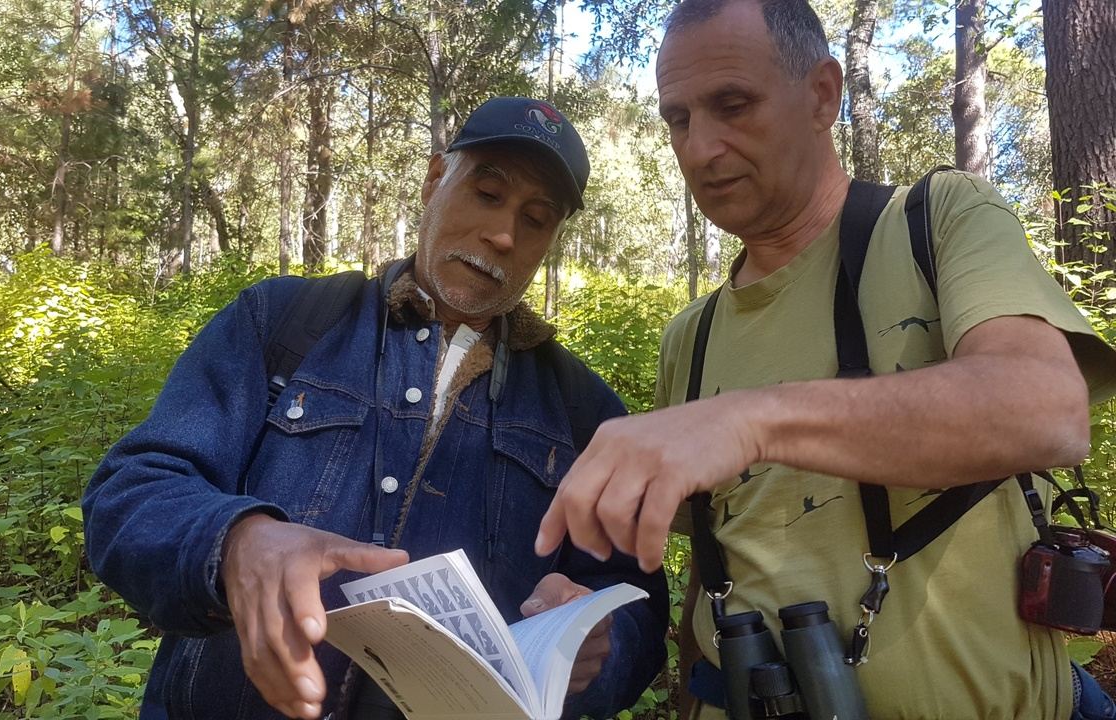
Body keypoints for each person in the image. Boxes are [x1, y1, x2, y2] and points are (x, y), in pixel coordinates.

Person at [532, 1, 1116, 718]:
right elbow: (720, 569)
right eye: (678, 119)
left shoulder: (937, 219)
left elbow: (1046, 409)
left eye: (732, 105)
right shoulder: (691, 336)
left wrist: (750, 421)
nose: (701, 148)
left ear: (822, 95)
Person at [82, 96, 668, 720]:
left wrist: (594, 646)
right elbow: (130, 494)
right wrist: (235, 542)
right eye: (487, 194)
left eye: (536, 218)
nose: (503, 235)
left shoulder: (584, 413)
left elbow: (635, 604)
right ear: (435, 180)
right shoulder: (283, 322)